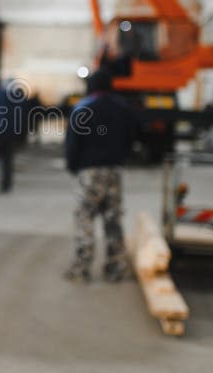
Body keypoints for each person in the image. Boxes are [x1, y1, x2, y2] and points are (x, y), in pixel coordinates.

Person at [64, 69, 135, 282]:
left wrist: (73, 165)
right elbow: (131, 137)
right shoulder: (123, 108)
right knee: (113, 217)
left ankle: (81, 268)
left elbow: (73, 141)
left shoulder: (83, 108)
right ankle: (116, 268)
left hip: (91, 171)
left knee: (85, 215)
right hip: (114, 169)